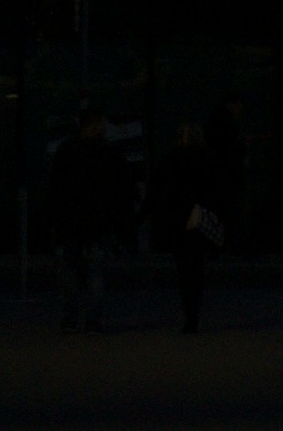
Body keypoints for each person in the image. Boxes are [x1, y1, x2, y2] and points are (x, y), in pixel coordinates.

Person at [44, 107, 130, 330]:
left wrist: (52, 218)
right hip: (99, 220)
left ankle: (70, 316)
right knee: (95, 271)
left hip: (70, 220)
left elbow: (55, 187)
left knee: (69, 269)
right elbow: (120, 189)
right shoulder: (108, 152)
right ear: (95, 125)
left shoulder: (66, 150)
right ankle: (93, 319)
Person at [148, 119, 221, 336]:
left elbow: (157, 189)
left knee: (184, 269)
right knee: (197, 266)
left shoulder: (171, 159)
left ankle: (190, 315)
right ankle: (194, 311)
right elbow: (217, 189)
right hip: (200, 216)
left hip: (177, 218)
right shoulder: (207, 158)